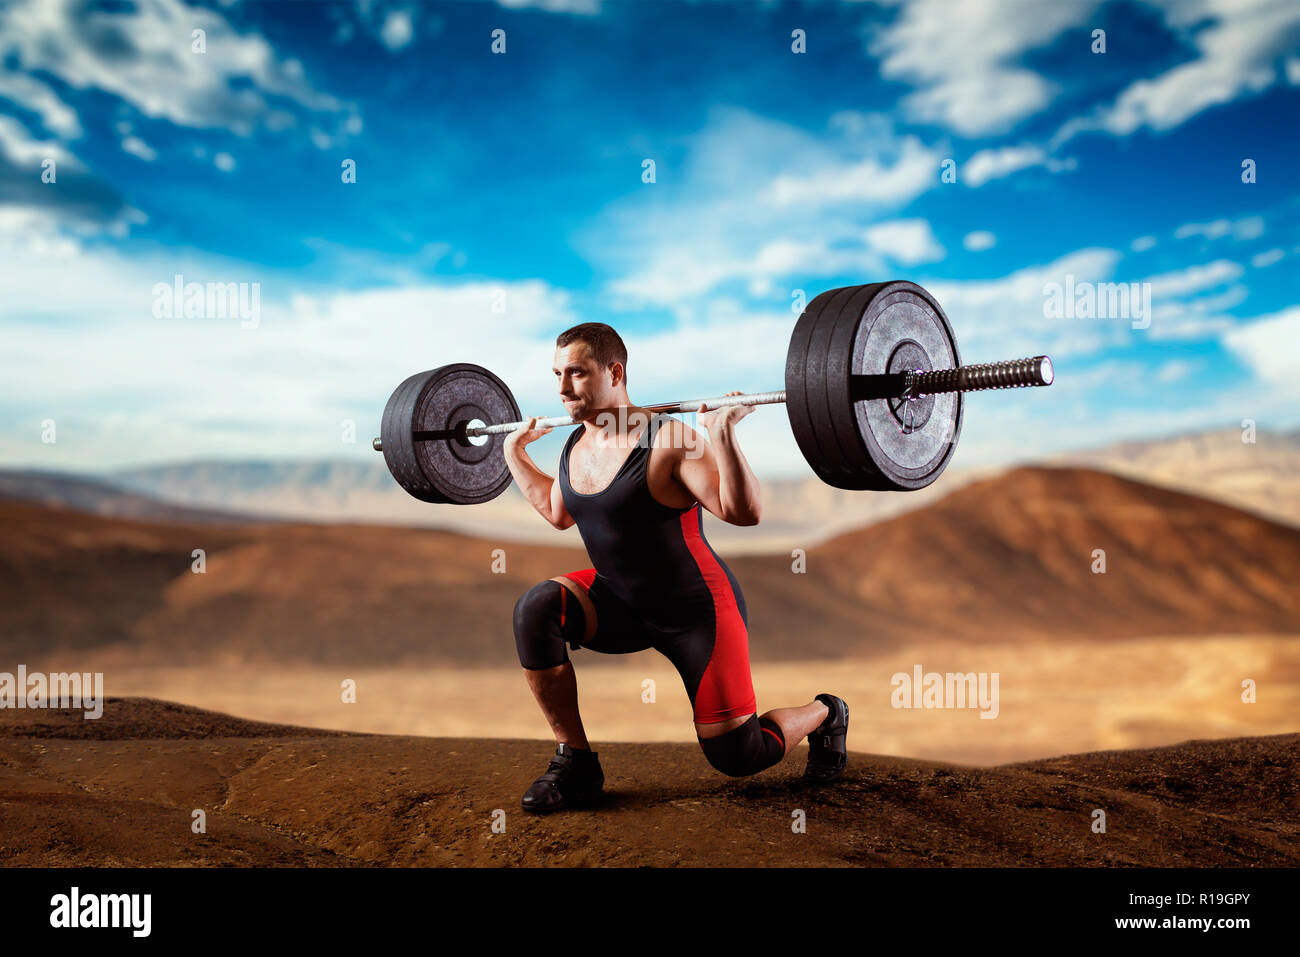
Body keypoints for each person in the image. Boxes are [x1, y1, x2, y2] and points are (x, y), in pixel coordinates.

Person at [505, 322, 849, 813]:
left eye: (576, 374)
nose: (561, 389)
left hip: (695, 614)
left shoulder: (671, 440)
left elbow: (743, 513)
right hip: (618, 604)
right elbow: (558, 512)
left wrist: (721, 434)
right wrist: (512, 452)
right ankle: (576, 764)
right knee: (536, 608)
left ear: (615, 372)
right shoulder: (574, 445)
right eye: (557, 374)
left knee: (739, 755)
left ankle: (826, 711)